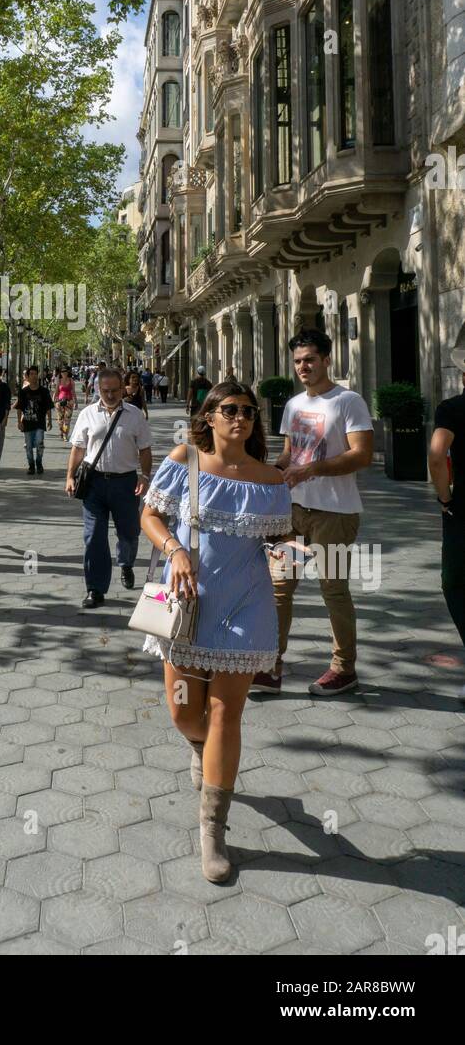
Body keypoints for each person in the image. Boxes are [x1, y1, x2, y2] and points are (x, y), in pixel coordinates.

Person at [140, 380, 294, 882]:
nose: (240, 418)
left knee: (228, 713)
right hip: (188, 604)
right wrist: (175, 550)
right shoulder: (185, 460)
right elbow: (151, 515)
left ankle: (213, 831)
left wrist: (290, 554)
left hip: (247, 606)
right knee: (187, 714)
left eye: (248, 411)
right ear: (209, 417)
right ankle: (200, 751)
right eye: (229, 409)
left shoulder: (270, 479)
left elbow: (280, 542)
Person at [253, 327, 374, 696]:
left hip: (335, 515)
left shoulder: (348, 401)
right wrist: (269, 473)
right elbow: (291, 455)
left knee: (334, 590)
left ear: (326, 359)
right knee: (278, 589)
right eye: (297, 362)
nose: (303, 367)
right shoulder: (293, 405)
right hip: (294, 513)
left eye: (309, 360)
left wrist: (312, 470)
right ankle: (271, 664)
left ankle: (344, 668)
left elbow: (362, 455)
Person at [67, 367, 153, 605]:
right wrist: (70, 477)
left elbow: (145, 449)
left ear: (123, 388)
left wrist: (145, 476)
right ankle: (95, 589)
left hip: (125, 483)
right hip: (93, 483)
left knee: (129, 533)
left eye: (116, 390)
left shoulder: (135, 415)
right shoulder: (87, 414)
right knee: (93, 536)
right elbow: (78, 448)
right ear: (98, 389)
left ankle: (126, 563)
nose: (112, 395)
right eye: (106, 391)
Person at [429, 341, 465, 701]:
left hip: (462, 509)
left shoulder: (452, 409)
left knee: (454, 582)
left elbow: (437, 455)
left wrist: (445, 498)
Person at [15, 365, 54, 476]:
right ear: (27, 376)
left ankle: (39, 462)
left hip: (40, 423)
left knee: (39, 443)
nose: (33, 376)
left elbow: (48, 407)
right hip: (27, 422)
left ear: (38, 375)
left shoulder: (44, 391)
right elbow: (19, 408)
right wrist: (19, 422)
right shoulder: (23, 392)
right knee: (28, 446)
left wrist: (49, 420)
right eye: (31, 374)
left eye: (35, 374)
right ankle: (31, 465)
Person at [55, 367, 77, 441]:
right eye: (62, 372)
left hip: (69, 402)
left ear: (67, 373)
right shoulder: (59, 381)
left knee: (67, 420)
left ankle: (65, 435)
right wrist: (54, 399)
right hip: (60, 402)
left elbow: (73, 392)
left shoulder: (71, 381)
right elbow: (56, 391)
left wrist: (76, 402)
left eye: (65, 372)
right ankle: (62, 431)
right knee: (60, 421)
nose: (64, 373)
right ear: (61, 373)